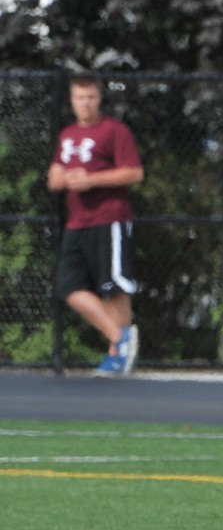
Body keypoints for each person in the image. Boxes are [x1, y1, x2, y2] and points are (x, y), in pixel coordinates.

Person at [47, 74, 144, 376]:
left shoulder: (115, 131)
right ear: (72, 101)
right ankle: (120, 338)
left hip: (109, 218)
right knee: (68, 286)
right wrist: (66, 179)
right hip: (77, 223)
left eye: (90, 97)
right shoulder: (67, 135)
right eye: (79, 98)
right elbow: (53, 179)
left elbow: (134, 173)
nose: (85, 103)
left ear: (99, 99)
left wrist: (91, 180)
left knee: (113, 289)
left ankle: (117, 357)